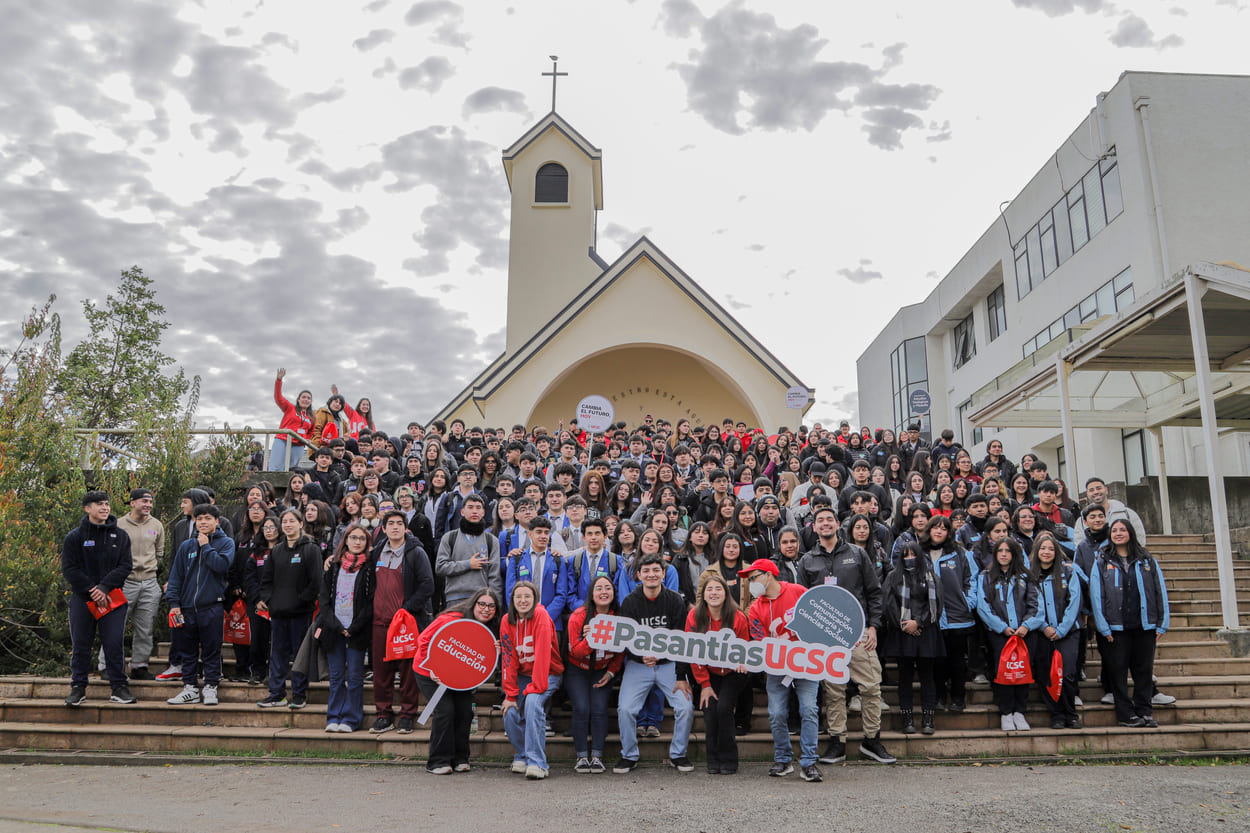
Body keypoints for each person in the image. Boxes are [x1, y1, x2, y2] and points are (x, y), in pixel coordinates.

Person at [612, 553, 696, 774]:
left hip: (669, 664)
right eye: (646, 571)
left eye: (656, 570)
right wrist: (642, 657)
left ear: (663, 573)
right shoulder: (630, 602)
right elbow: (625, 639)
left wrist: (671, 666)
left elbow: (680, 639)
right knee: (626, 709)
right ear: (639, 575)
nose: (651, 575)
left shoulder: (675, 600)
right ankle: (629, 755)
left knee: (685, 707)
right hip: (639, 665)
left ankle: (678, 754)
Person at [1090, 519, 1170, 728]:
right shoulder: (1102, 560)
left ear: (1130, 533)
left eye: (1122, 530)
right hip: (1115, 629)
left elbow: (1159, 591)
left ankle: (1145, 711)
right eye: (1114, 530)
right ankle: (1125, 714)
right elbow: (1096, 595)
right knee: (1117, 673)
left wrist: (1162, 624)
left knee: (1143, 672)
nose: (1118, 533)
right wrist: (1103, 626)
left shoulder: (1146, 560)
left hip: (1145, 626)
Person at [415, 588, 502, 774]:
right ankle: (437, 761)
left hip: (461, 677)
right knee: (445, 711)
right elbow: (423, 640)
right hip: (429, 672)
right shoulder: (451, 619)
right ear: (474, 603)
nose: (486, 609)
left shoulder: (491, 628)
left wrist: (495, 651)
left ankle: (460, 758)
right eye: (482, 604)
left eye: (491, 606)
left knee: (465, 712)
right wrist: (431, 669)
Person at [61, 491, 135, 707]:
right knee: (81, 644)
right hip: (83, 600)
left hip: (112, 599)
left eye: (107, 504)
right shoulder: (74, 537)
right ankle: (78, 688)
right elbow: (69, 568)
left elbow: (125, 566)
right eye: (99, 504)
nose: (105, 507)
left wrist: (104, 588)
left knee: (113, 643)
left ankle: (119, 687)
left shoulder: (120, 536)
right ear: (87, 508)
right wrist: (92, 589)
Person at [369, 510, 434, 734]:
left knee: (408, 671)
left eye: (399, 523)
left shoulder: (415, 553)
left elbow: (428, 585)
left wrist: (406, 609)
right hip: (379, 622)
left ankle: (407, 715)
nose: (395, 527)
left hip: (406, 623)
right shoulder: (377, 551)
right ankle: (383, 715)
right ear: (383, 528)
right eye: (390, 523)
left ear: (406, 528)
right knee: (381, 672)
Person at [164, 503, 234, 706]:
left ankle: (211, 686)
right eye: (199, 518)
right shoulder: (187, 546)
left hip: (211, 606)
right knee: (187, 650)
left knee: (212, 649)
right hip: (186, 608)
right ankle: (190, 688)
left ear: (216, 521)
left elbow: (221, 566)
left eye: (207, 518)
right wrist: (174, 603)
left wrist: (206, 546)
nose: (203, 522)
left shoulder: (225, 543)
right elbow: (176, 576)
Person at [257, 508, 323, 710]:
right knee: (277, 655)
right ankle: (276, 694)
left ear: (301, 524)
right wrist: (269, 600)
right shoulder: (276, 550)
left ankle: (299, 694)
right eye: (284, 522)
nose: (287, 525)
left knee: (300, 656)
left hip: (301, 613)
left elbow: (316, 581)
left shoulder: (310, 549)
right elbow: (266, 580)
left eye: (291, 521)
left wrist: (302, 601)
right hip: (278, 613)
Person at [883, 525, 945, 735]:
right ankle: (907, 719)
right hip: (902, 634)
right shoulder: (893, 576)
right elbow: (888, 604)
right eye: (906, 554)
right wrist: (905, 624)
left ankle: (928, 719)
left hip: (927, 633)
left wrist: (918, 623)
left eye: (913, 554)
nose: (909, 557)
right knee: (905, 677)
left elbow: (937, 605)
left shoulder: (931, 577)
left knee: (928, 677)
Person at [687, 573, 750, 774]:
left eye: (718, 589)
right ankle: (712, 761)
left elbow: (745, 648)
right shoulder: (694, 616)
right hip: (707, 672)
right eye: (710, 590)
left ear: (726, 593)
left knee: (724, 708)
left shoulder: (738, 617)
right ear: (704, 595)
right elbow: (693, 653)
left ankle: (729, 760)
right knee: (710, 710)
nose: (714, 593)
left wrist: (742, 661)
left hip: (734, 673)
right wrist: (705, 685)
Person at [501, 580, 564, 780]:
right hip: (522, 675)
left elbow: (543, 655)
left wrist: (535, 688)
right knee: (509, 710)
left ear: (535, 598)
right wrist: (510, 694)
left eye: (527, 596)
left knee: (532, 703)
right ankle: (522, 754)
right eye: (518, 596)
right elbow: (508, 658)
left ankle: (538, 762)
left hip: (547, 673)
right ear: (512, 600)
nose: (523, 600)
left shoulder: (541, 616)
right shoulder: (506, 621)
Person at [316, 524, 375, 732]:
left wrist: (354, 627)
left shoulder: (369, 568)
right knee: (337, 676)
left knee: (355, 677)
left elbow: (370, 602)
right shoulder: (333, 566)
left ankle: (351, 719)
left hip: (358, 631)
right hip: (334, 630)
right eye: (353, 537)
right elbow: (324, 601)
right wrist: (338, 626)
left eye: (362, 538)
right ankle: (334, 716)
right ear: (346, 540)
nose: (357, 542)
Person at [976, 538, 1038, 731]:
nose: (1003, 554)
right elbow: (983, 605)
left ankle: (1020, 711)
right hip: (1000, 634)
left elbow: (1035, 604)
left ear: (1014, 554)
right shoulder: (985, 576)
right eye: (1000, 550)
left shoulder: (1025, 576)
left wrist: (1026, 625)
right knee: (1003, 673)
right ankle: (1006, 712)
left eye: (1008, 551)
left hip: (1023, 633)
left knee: (1022, 671)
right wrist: (1001, 627)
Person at [1024, 532, 1083, 729]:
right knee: (1045, 675)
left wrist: (1062, 628)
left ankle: (1070, 714)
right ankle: (1056, 714)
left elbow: (1074, 603)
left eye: (1050, 548)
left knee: (1067, 674)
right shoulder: (1029, 575)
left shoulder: (1068, 571)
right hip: (1041, 633)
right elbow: (1030, 604)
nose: (1047, 552)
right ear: (1036, 552)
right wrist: (1044, 627)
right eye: (1043, 548)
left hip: (1068, 632)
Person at [565, 575, 623, 774]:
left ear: (614, 593)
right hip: (577, 670)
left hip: (603, 669)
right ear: (591, 593)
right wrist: (592, 637)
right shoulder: (579, 616)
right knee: (582, 708)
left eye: (608, 588)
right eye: (599, 588)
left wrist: (611, 672)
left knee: (599, 709)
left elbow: (622, 651)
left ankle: (597, 755)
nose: (604, 592)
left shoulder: (619, 618)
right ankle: (582, 756)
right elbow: (575, 651)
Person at [112, 488, 164, 681]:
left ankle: (139, 666)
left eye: (150, 502)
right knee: (115, 625)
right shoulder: (119, 525)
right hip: (125, 582)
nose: (148, 505)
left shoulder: (157, 525)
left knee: (145, 626)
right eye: (144, 501)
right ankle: (107, 664)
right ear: (132, 503)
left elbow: (159, 552)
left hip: (149, 582)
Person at [436, 493, 504, 608]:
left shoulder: (491, 541)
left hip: (481, 601)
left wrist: (496, 604)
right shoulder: (449, 537)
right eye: (470, 507)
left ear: (483, 513)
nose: (474, 511)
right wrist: (468, 564)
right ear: (462, 512)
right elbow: (440, 567)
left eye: (478, 508)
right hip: (454, 599)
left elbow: (494, 577)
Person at [1075, 476, 1147, 545]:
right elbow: (1079, 544)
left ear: (1106, 490)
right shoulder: (1082, 520)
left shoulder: (1126, 513)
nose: (1096, 492)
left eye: (1099, 488)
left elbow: (1139, 537)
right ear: (1087, 494)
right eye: (1091, 490)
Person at [270, 368, 314, 470]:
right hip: (283, 440)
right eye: (303, 397)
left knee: (291, 469)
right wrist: (279, 380)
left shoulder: (311, 416)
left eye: (308, 398)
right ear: (298, 400)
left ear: (311, 402)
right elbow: (278, 397)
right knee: (276, 467)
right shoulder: (290, 408)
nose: (306, 400)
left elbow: (311, 431)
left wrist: (307, 439)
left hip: (298, 444)